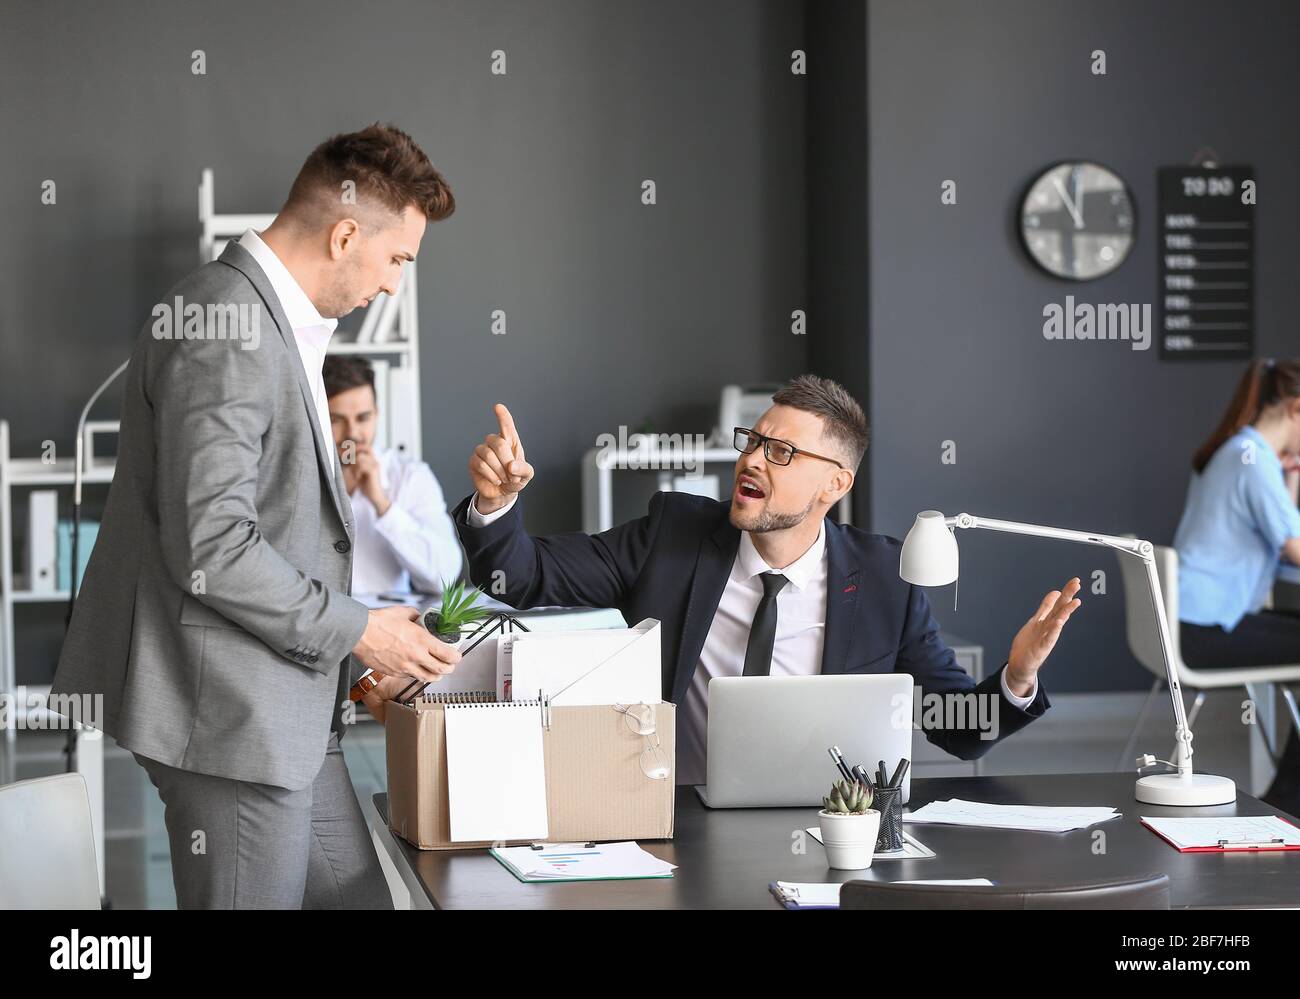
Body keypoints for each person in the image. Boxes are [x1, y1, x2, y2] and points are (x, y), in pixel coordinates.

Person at [50, 124, 462, 909]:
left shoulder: (275, 320)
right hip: (230, 724)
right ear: (346, 234)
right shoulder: (227, 323)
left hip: (288, 712)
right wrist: (363, 628)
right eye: (397, 260)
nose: (392, 286)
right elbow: (216, 545)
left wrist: (357, 642)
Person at [426, 374, 1082, 786]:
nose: (752, 458)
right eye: (753, 440)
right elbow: (522, 576)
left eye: (782, 451)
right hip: (675, 819)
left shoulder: (885, 576)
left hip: (831, 828)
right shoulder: (674, 533)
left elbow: (954, 728)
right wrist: (495, 505)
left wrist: (1016, 678)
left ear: (835, 483)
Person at [1175, 357, 1300, 812]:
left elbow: (1280, 532)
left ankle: (1288, 795)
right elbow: (1294, 547)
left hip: (1189, 622)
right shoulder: (1252, 462)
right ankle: (1289, 799)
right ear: (1296, 409)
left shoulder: (1238, 451)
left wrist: (1290, 478)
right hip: (1205, 633)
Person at [323, 355, 462, 596]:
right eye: (336, 420)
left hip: (392, 626)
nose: (353, 433)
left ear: (376, 414)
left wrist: (382, 504)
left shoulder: (411, 476)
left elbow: (444, 577)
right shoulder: (297, 476)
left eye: (363, 418)